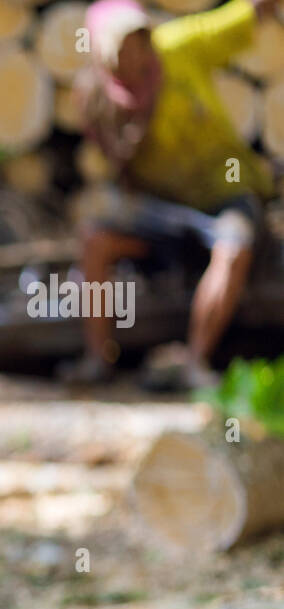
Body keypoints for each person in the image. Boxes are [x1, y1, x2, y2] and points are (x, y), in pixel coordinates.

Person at [57, 0, 278, 390]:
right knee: (96, 240)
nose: (135, 54)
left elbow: (241, 16)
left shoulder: (179, 48)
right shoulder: (97, 96)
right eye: (122, 47)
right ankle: (98, 359)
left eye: (139, 41)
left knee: (234, 243)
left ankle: (196, 362)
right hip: (161, 213)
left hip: (223, 193)